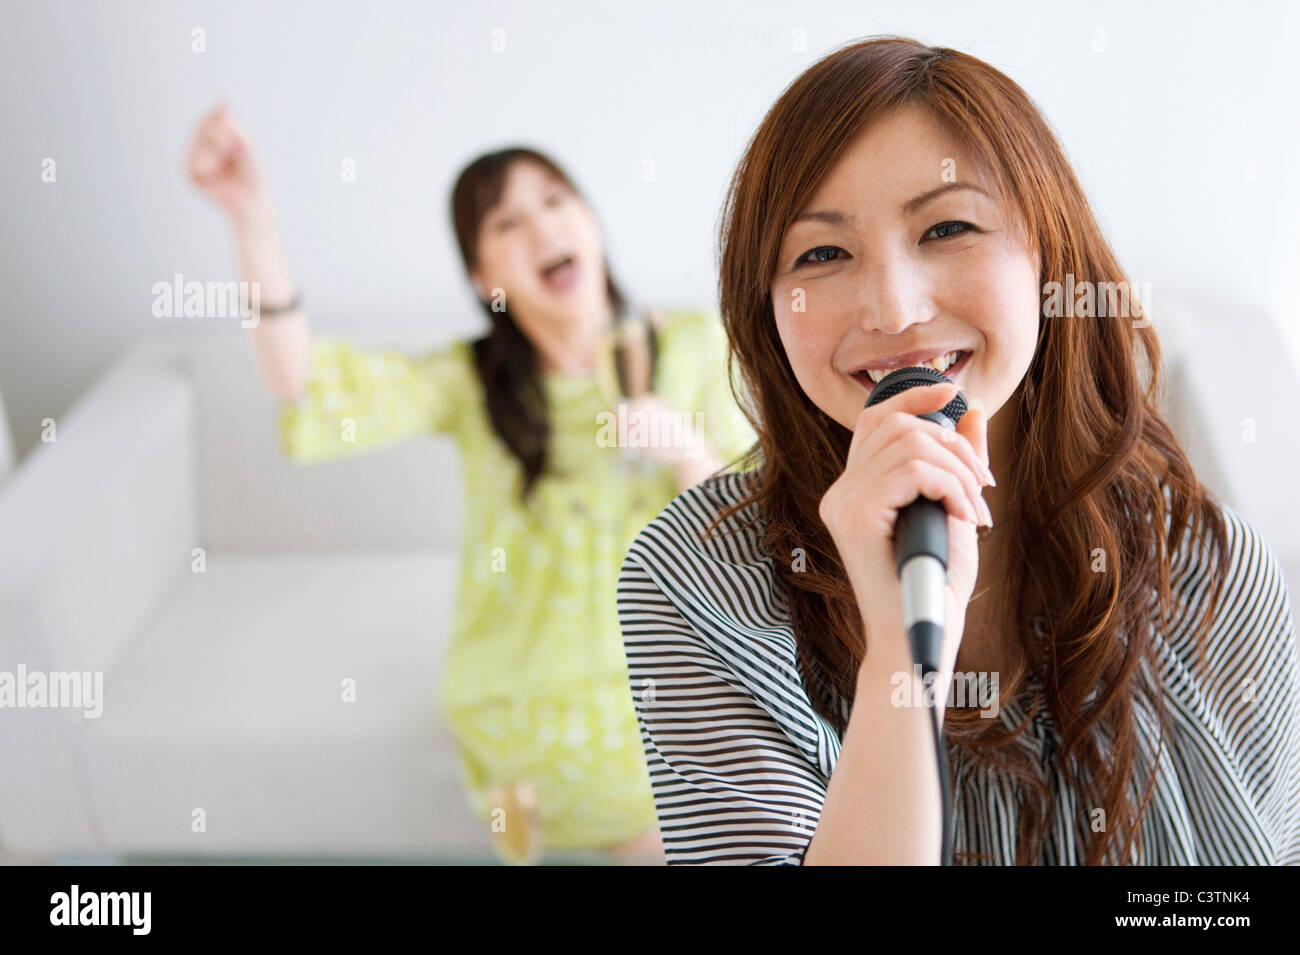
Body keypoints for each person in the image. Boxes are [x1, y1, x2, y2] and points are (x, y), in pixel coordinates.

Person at [616, 36, 1300, 865]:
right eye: (823, 253)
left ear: (1049, 259)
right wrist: (903, 652)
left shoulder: (1207, 568)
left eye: (947, 227)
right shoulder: (697, 578)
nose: (894, 308)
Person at [184, 102, 757, 862]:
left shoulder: (693, 344)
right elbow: (301, 381)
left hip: (667, 666)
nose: (542, 227)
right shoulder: (470, 382)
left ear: (589, 221)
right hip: (523, 690)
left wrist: (687, 452)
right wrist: (249, 215)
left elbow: (757, 532)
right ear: (484, 275)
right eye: (506, 224)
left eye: (554, 200)